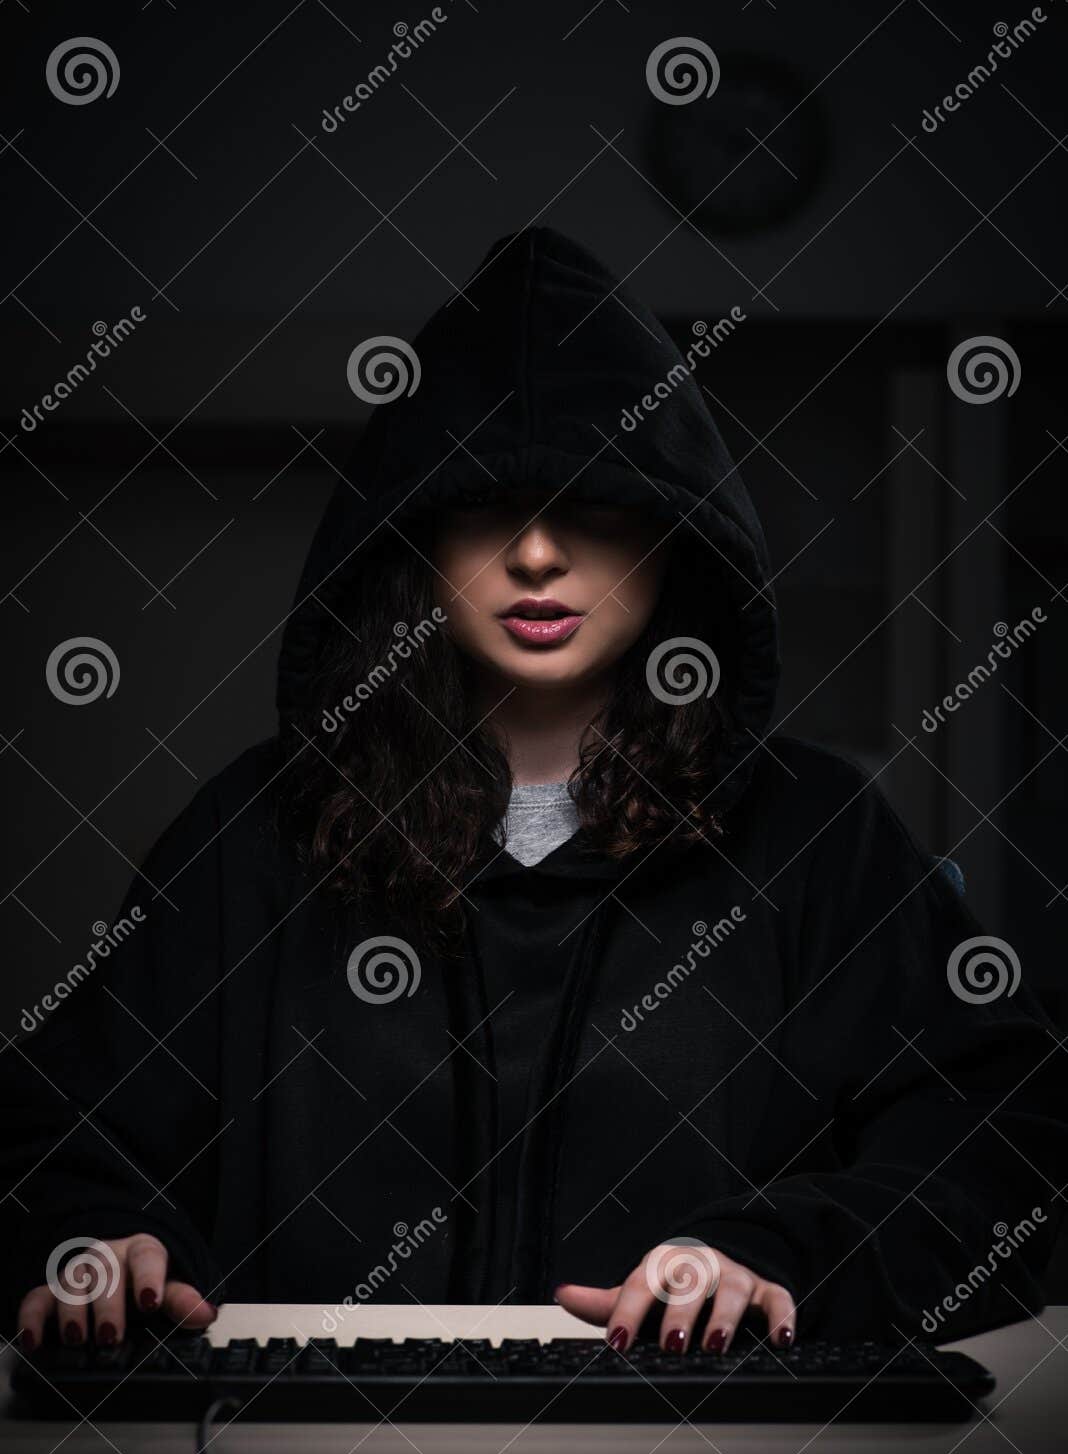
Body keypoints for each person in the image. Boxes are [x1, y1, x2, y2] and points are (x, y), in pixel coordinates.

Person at [4, 228, 1065, 1359]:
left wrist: (788, 1252)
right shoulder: (254, 832)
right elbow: (53, 1133)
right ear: (416, 534)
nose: (540, 555)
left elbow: (1000, 1137)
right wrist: (99, 1235)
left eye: (596, 506)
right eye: (488, 508)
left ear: (674, 534)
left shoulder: (816, 837)